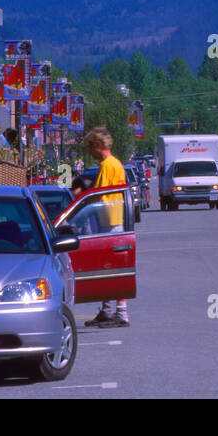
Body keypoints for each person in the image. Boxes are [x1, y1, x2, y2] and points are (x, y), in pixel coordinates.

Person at [84, 128, 128, 328]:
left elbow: (101, 194)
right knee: (108, 266)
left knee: (113, 267)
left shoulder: (107, 165)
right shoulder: (115, 164)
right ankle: (107, 309)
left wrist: (82, 198)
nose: (90, 152)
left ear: (98, 146)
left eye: (90, 148)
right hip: (113, 216)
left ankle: (120, 313)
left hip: (109, 219)